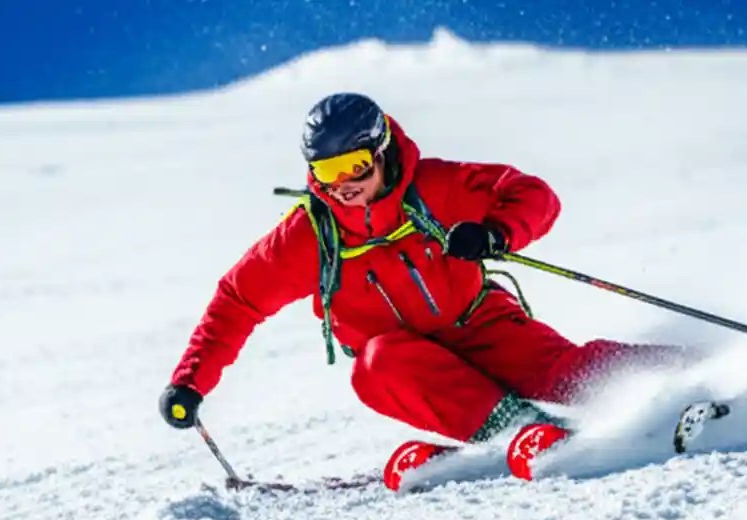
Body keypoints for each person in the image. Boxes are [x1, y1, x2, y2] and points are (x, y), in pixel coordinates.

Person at [159, 92, 682, 458]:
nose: (342, 185)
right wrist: (189, 382)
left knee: (569, 376)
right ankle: (520, 430)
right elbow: (238, 300)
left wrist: (496, 233)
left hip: (483, 324)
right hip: (409, 362)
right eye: (326, 172)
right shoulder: (308, 237)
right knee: (375, 366)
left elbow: (534, 195)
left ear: (381, 151)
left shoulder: (434, 188)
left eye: (355, 166)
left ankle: (695, 374)